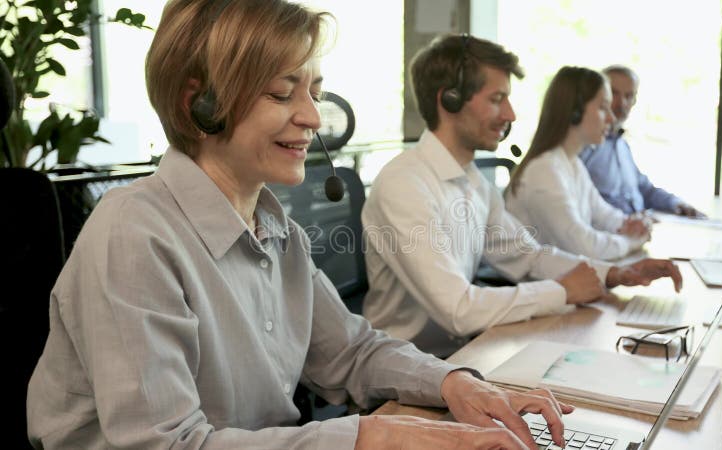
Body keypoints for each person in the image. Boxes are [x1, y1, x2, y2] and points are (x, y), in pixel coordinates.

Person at [25, 2, 575, 449]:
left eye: (314, 90)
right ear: (202, 104)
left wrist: (454, 383)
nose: (314, 116)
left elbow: (350, 352)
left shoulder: (273, 224)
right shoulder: (134, 234)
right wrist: (371, 435)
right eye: (282, 92)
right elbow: (166, 446)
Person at [361, 34, 683, 359]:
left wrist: (614, 274)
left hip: (462, 356)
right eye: (497, 99)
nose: (511, 114)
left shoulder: (472, 183)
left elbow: (528, 255)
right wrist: (561, 292)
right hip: (402, 373)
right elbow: (458, 309)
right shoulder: (404, 185)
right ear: (451, 101)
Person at [504, 66, 651, 261]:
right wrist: (632, 241)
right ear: (574, 111)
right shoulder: (544, 170)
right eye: (602, 107)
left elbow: (603, 214)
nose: (611, 118)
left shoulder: (571, 163)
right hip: (539, 286)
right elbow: (585, 247)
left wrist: (630, 223)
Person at [579, 64, 706, 217]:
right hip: (613, 231)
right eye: (614, 94)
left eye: (629, 96)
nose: (622, 104)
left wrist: (677, 203)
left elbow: (645, 189)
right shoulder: (583, 147)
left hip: (639, 229)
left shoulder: (621, 146)